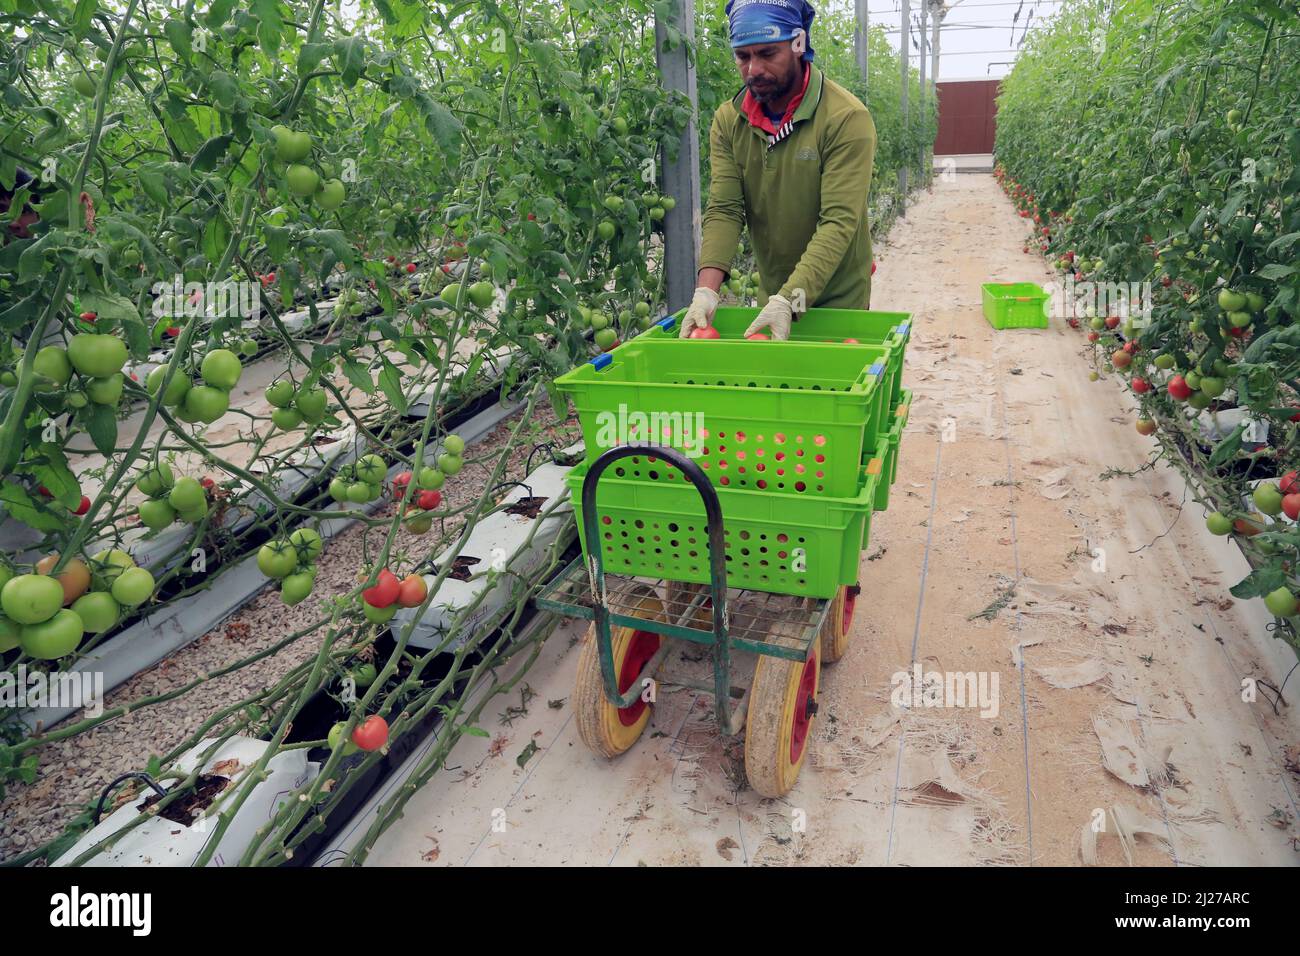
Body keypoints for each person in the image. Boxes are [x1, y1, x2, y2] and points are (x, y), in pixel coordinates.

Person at [680, 0, 877, 341]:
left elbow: (838, 221)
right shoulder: (730, 121)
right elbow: (725, 210)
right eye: (743, 56)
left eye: (768, 53)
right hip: (772, 293)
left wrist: (791, 299)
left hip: (838, 298)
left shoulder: (845, 118)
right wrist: (707, 291)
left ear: (798, 45)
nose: (754, 69)